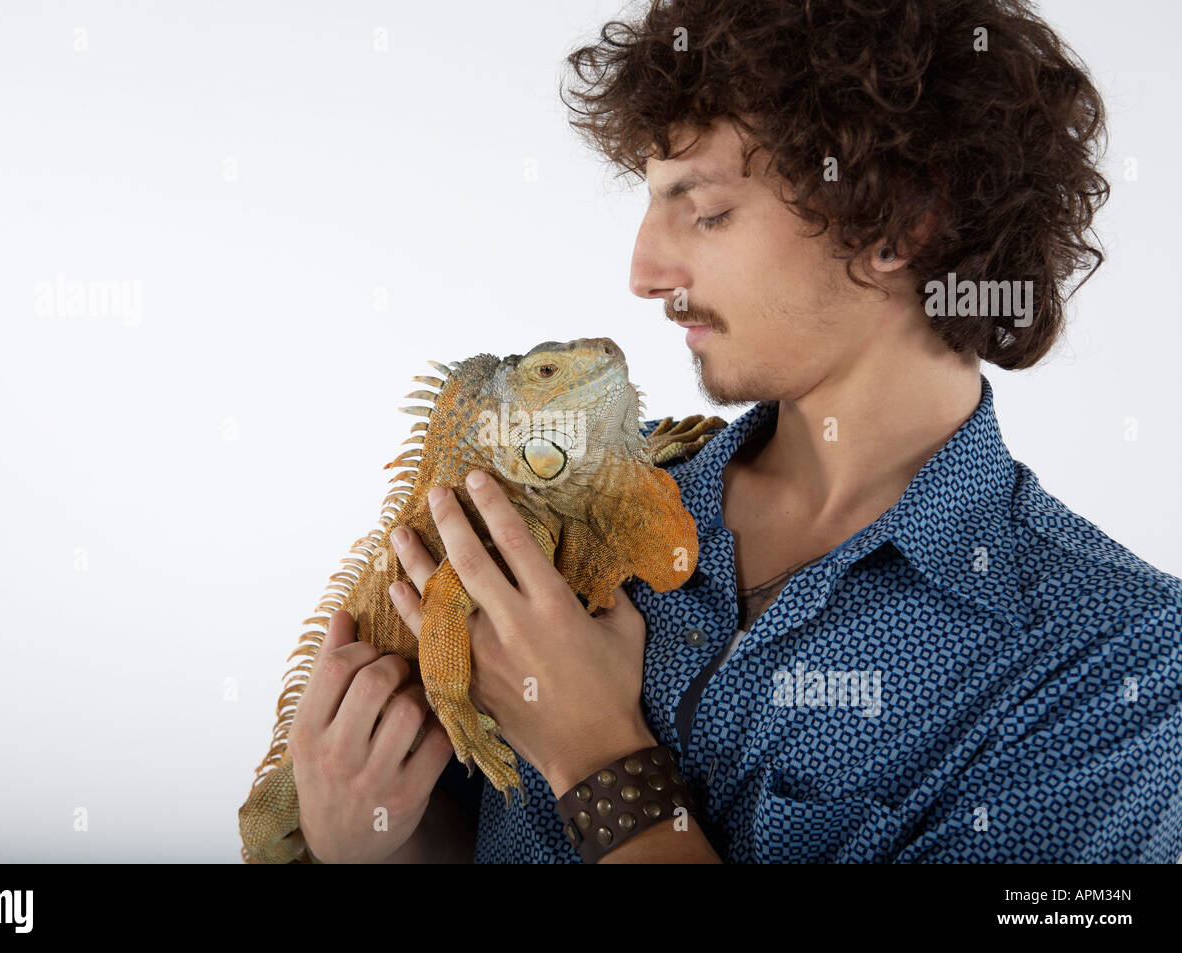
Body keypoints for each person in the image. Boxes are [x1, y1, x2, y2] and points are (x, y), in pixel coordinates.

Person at [287, 0, 1182, 863]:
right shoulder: (581, 521)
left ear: (899, 223)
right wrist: (369, 839)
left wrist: (599, 761)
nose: (642, 271)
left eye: (706, 210)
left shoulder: (1118, 661)